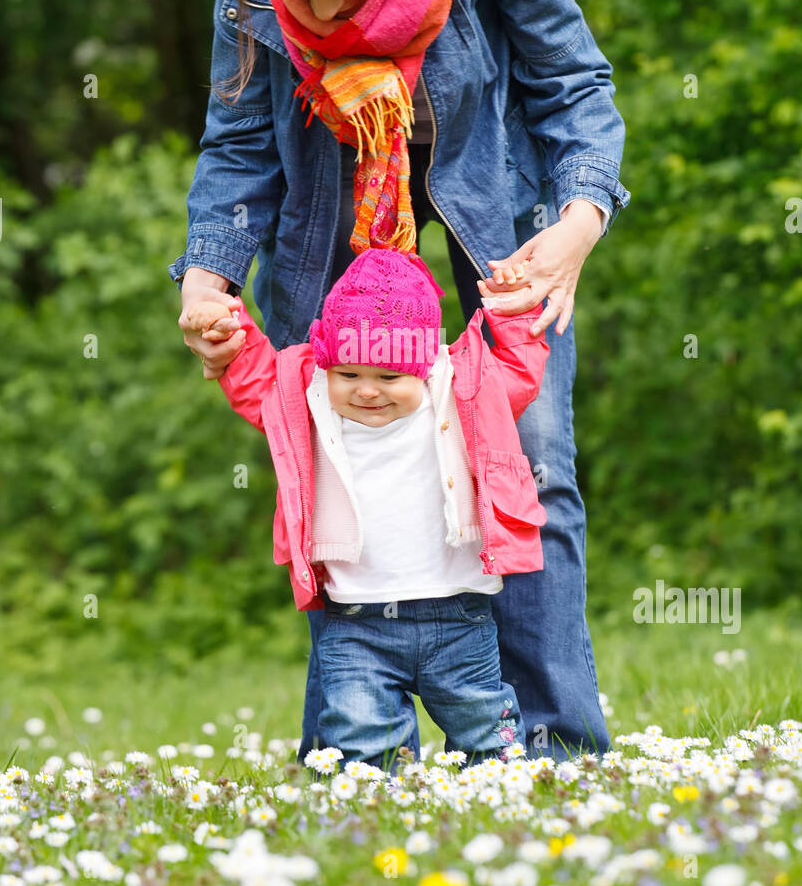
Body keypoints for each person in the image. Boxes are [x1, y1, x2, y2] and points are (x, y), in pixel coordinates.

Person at [171, 0, 630, 761]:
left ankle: (545, 749)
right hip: (326, 219)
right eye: (307, 5)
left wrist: (576, 223)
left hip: (497, 201)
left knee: (534, 463)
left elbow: (570, 84)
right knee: (336, 467)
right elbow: (241, 139)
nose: (327, 23)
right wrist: (209, 273)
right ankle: (356, 751)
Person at [182, 246, 550, 770]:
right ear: (327, 366)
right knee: (359, 740)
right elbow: (254, 375)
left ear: (424, 368)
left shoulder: (461, 390)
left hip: (459, 616)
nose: (368, 391)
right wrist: (222, 319)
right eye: (348, 375)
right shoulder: (308, 401)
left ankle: (500, 804)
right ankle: (369, 821)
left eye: (389, 377)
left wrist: (513, 307)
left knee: (485, 731)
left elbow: (522, 365)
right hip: (355, 623)